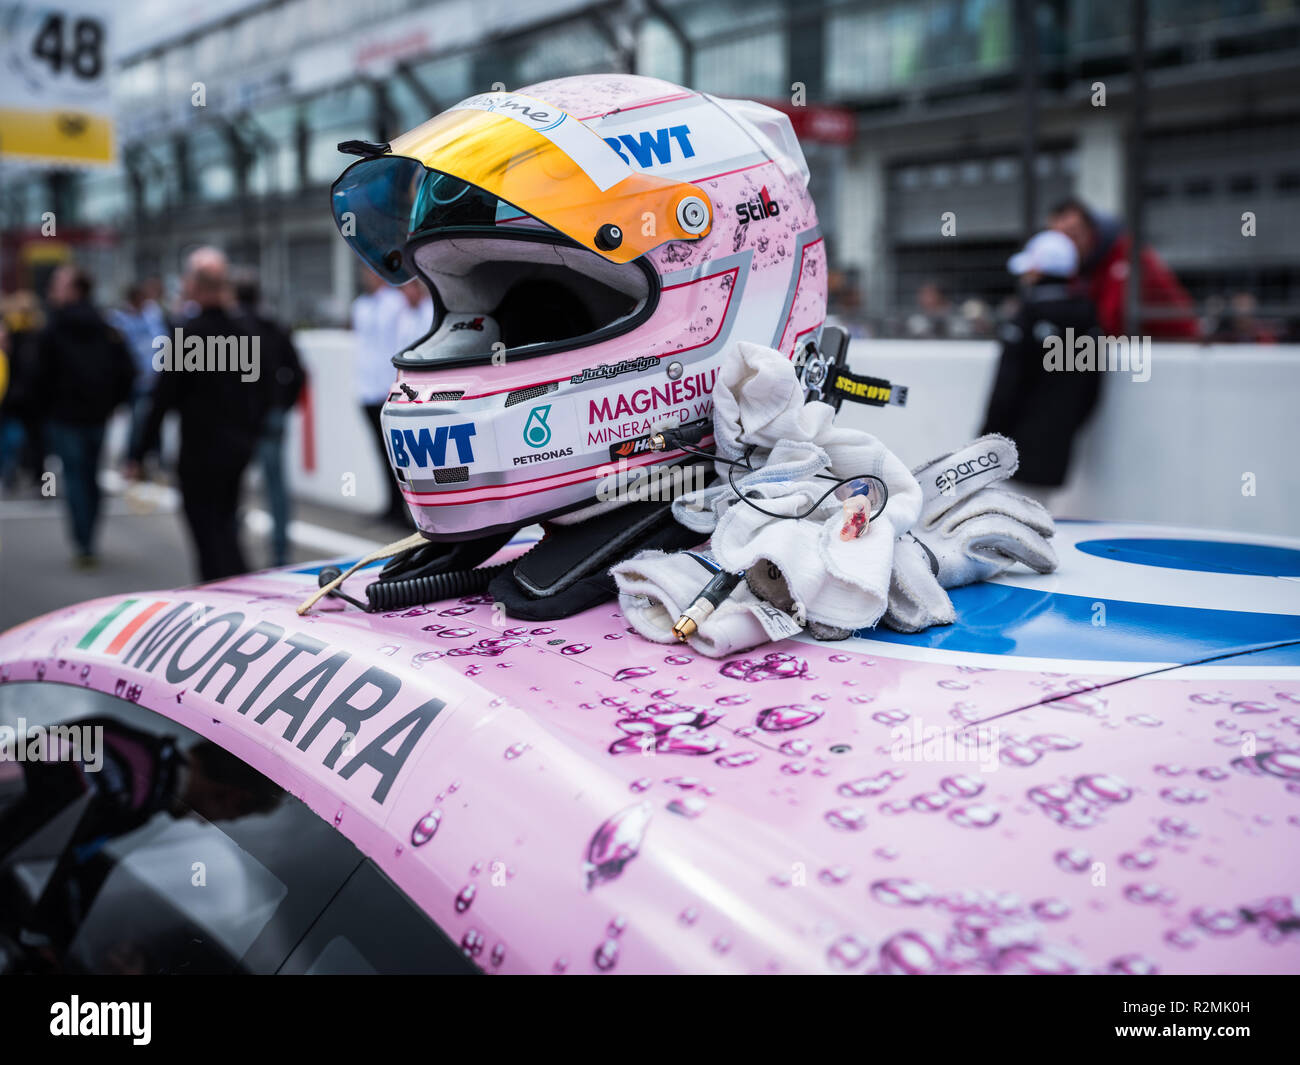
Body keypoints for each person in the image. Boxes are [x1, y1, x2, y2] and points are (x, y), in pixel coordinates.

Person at [128, 248, 270, 580]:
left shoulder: (187, 334)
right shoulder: (244, 331)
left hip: (199, 449)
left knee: (205, 529)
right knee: (225, 521)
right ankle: (237, 585)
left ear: (198, 288)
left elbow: (162, 398)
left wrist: (139, 451)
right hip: (236, 447)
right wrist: (252, 434)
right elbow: (261, 390)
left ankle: (218, 591)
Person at [980, 230, 1102, 501]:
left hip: (1010, 452)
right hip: (1058, 450)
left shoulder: (1027, 317)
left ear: (1036, 273)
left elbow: (1007, 386)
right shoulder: (1087, 318)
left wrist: (985, 441)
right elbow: (1090, 392)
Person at [34, 266, 136, 566]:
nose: (53, 290)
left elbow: (39, 375)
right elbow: (127, 371)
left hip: (66, 415)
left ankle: (83, 541)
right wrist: (113, 403)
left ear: (75, 290)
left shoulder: (54, 327)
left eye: (59, 285)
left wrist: (44, 408)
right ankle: (89, 535)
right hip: (96, 414)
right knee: (90, 475)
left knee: (76, 476)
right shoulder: (107, 326)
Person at [234, 271, 306, 567]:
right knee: (276, 486)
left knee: (233, 484)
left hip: (239, 417)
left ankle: (232, 547)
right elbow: (299, 373)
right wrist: (282, 404)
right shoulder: (274, 328)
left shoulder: (232, 330)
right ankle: (279, 552)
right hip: (272, 415)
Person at [1048, 197, 1197, 339]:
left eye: (1073, 235)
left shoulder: (1124, 255)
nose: (1067, 245)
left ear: (1090, 230)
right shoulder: (1082, 265)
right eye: (1059, 239)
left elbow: (1113, 319)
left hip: (1173, 346)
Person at [351, 269, 409, 525]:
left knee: (398, 455)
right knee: (381, 452)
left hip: (388, 388)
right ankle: (393, 506)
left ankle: (406, 508)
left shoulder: (396, 304)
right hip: (368, 388)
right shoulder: (361, 306)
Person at [107, 282, 168, 469]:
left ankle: (154, 457)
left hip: (154, 378)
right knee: (138, 420)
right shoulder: (119, 321)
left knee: (153, 419)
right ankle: (134, 458)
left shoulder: (152, 317)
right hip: (135, 380)